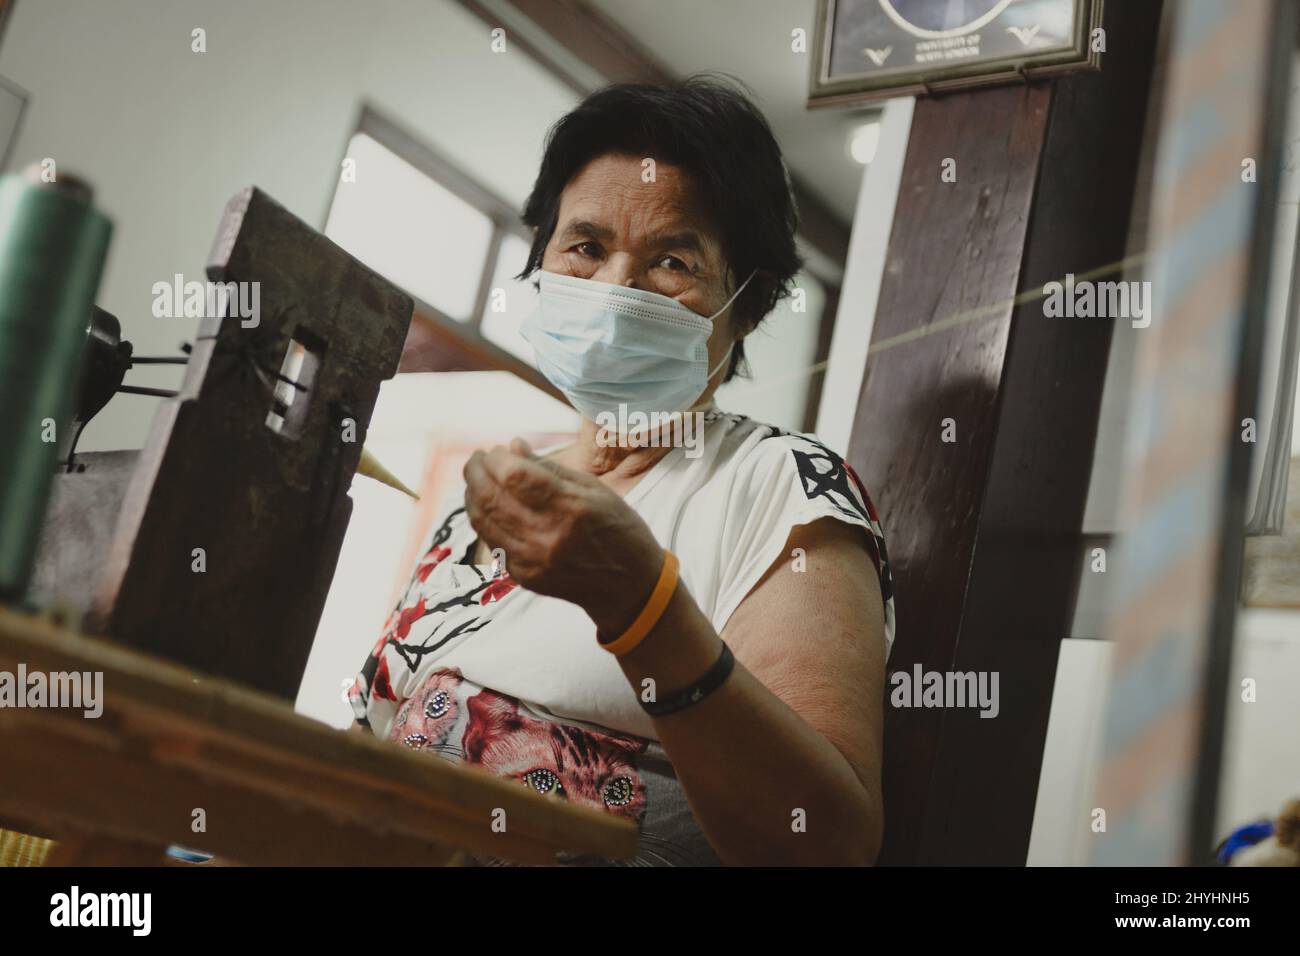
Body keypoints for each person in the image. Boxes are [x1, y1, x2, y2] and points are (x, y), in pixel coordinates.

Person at [349, 76, 895, 866]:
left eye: (671, 260)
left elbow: (827, 844)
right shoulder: (489, 508)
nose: (614, 291)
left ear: (751, 302)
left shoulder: (781, 489)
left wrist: (643, 609)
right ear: (541, 254)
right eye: (586, 246)